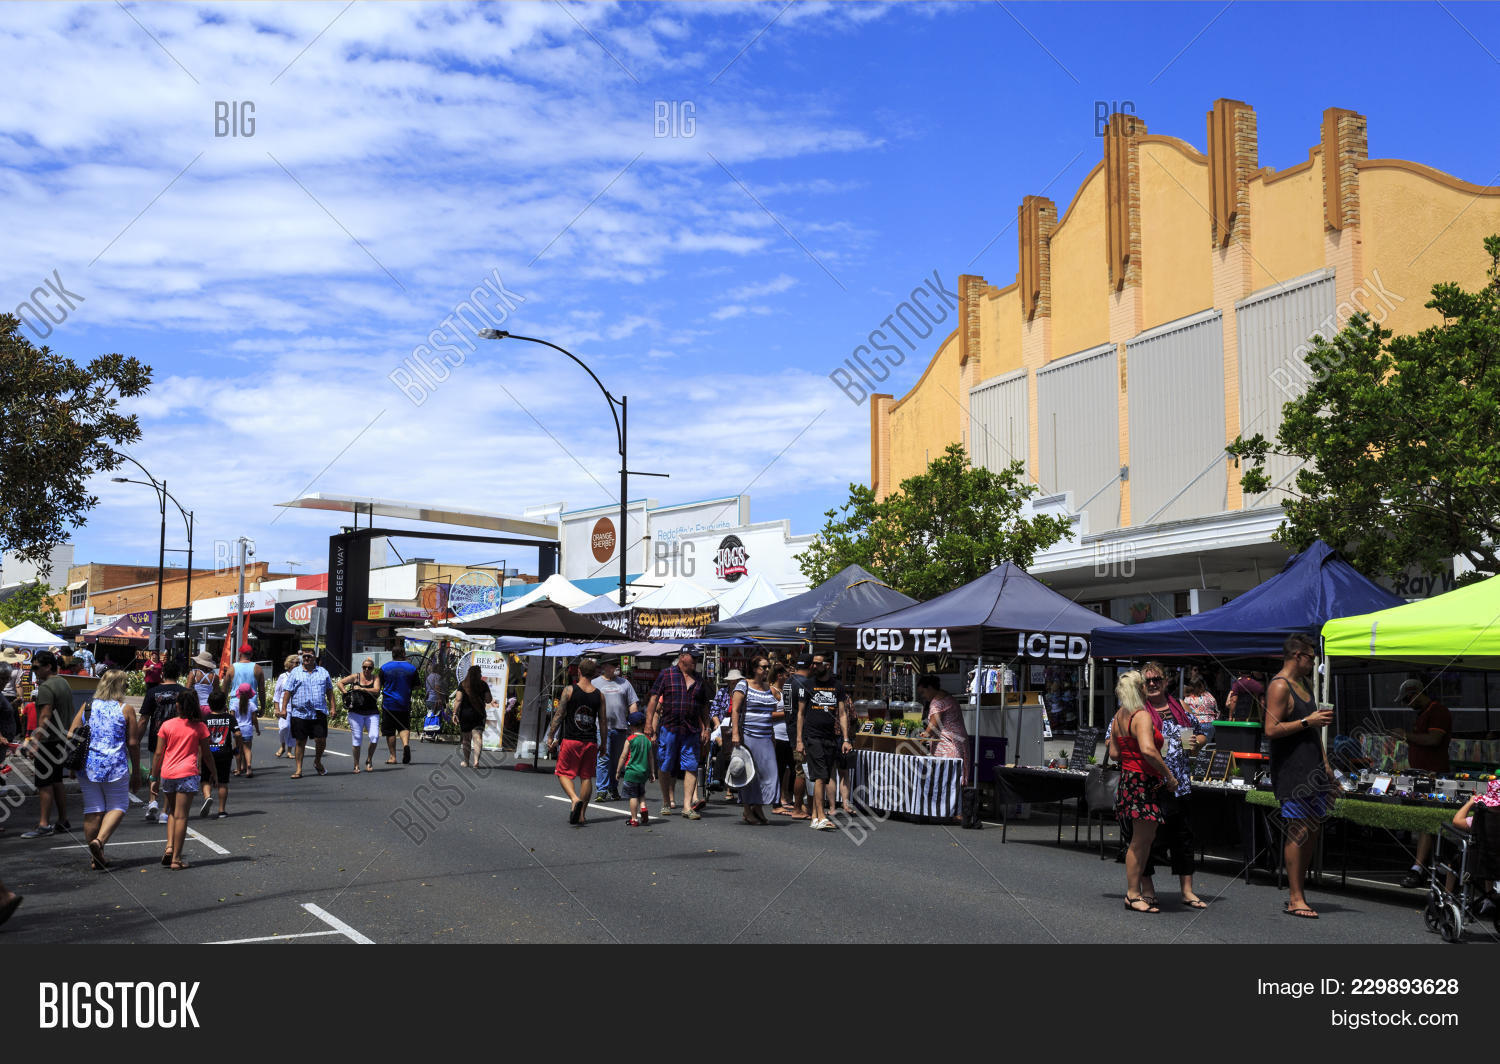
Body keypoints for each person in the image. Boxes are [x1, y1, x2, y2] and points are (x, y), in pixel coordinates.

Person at [1265, 633, 1335, 919]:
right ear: (1297, 656)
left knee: (1313, 830)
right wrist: (1308, 720)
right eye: (1311, 657)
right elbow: (1271, 729)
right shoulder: (1279, 686)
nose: (1313, 663)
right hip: (1292, 770)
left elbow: (1313, 730)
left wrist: (1326, 761)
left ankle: (1300, 891)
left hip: (1313, 767)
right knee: (1299, 829)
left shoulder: (1305, 683)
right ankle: (1295, 898)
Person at [1132, 661, 1209, 910]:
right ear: (1141, 685)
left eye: (1157, 679)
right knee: (1150, 841)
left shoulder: (1179, 706)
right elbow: (1114, 736)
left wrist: (1196, 742)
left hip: (1180, 783)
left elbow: (1201, 732)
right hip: (1152, 784)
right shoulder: (1136, 710)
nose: (1153, 684)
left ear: (1166, 682)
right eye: (1148, 681)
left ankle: (1187, 891)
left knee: (1184, 838)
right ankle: (1148, 889)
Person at [1108, 670, 1177, 913]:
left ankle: (1135, 892)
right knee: (1140, 842)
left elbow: (1115, 753)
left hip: (1129, 780)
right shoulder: (1142, 716)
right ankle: (1132, 893)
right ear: (1142, 689)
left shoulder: (1119, 716)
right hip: (1143, 780)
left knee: (1142, 841)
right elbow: (1148, 750)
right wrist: (1169, 775)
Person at [67, 669, 140, 870]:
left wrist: (74, 764)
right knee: (118, 805)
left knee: (93, 809)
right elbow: (133, 743)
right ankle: (99, 843)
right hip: (115, 765)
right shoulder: (126, 709)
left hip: (88, 765)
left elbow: (71, 734)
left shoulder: (87, 706)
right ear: (120, 687)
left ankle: (96, 858)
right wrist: (136, 773)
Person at [150, 681, 217, 870]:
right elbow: (207, 755)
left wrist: (153, 778)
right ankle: (176, 859)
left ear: (177, 705)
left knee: (171, 811)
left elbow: (158, 753)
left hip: (168, 774)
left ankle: (170, 847)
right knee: (182, 816)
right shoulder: (200, 727)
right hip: (187, 774)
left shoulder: (167, 725)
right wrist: (214, 773)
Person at [1396, 678, 1454, 887]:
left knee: (1429, 822)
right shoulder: (1424, 714)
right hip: (1422, 775)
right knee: (1425, 822)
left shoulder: (1437, 712)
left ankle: (1420, 868)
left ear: (1415, 694)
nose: (1406, 704)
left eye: (1407, 699)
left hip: (1435, 776)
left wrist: (1406, 736)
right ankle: (1430, 866)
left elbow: (1434, 739)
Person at [645, 647, 710, 819]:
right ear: (682, 657)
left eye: (697, 658)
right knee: (665, 765)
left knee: (691, 765)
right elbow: (653, 699)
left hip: (691, 730)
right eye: (693, 657)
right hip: (669, 728)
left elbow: (704, 706)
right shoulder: (666, 674)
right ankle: (666, 801)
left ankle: (687, 806)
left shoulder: (699, 679)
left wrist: (707, 727)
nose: (696, 661)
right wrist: (648, 724)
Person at [19, 650, 72, 839]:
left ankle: (44, 824)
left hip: (48, 741)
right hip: (60, 739)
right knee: (57, 781)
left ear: (48, 666)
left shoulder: (46, 687)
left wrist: (34, 742)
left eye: (36, 667)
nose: (34, 671)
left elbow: (45, 716)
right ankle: (63, 820)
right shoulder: (64, 683)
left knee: (44, 784)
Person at [546, 657, 604, 825]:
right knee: (586, 777)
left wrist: (551, 736)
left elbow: (559, 715)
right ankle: (582, 815)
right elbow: (603, 722)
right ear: (593, 674)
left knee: (562, 773)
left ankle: (574, 798)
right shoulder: (599, 695)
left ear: (579, 671)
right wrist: (604, 743)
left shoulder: (569, 691)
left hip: (571, 740)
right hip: (590, 741)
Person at [797, 664, 852, 831]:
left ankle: (814, 817)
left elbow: (842, 714)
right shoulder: (807, 684)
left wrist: (845, 739)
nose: (815, 666)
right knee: (820, 775)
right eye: (813, 663)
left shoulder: (837, 686)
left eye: (819, 663)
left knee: (825, 776)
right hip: (812, 736)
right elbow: (800, 713)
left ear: (827, 665)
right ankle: (821, 816)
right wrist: (799, 739)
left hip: (830, 737)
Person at [730, 656, 782, 824]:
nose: (767, 670)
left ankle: (758, 806)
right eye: (763, 667)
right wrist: (736, 733)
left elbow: (769, 715)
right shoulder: (743, 685)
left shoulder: (768, 688)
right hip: (748, 736)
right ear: (754, 668)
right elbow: (735, 710)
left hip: (766, 737)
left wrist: (772, 735)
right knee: (749, 775)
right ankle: (747, 811)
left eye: (768, 667)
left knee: (770, 775)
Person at [139, 659, 188, 824]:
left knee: (156, 769)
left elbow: (144, 719)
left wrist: (137, 740)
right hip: (179, 737)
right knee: (172, 774)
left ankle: (152, 801)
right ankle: (165, 812)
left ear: (162, 673)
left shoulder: (153, 692)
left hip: (157, 735)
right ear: (179, 675)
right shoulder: (184, 692)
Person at [280, 648, 335, 778]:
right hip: (300, 712)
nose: (306, 659)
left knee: (320, 739)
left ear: (314, 657)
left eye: (309, 656)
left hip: (318, 711)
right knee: (300, 741)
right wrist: (283, 709)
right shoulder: (295, 672)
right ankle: (298, 769)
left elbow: (329, 691)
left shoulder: (323, 672)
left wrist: (333, 707)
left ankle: (317, 761)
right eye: (304, 656)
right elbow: (287, 691)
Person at [592, 659, 638, 802]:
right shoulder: (595, 683)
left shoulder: (625, 683)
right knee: (603, 759)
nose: (615, 668)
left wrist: (635, 725)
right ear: (605, 666)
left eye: (616, 666)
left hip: (620, 727)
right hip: (601, 728)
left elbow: (632, 704)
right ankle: (601, 790)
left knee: (616, 761)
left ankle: (613, 787)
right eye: (612, 665)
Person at [773, 657, 812, 817]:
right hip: (797, 731)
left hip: (789, 729)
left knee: (791, 769)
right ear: (810, 666)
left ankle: (797, 804)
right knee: (800, 770)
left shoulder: (789, 681)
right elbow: (801, 710)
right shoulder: (802, 682)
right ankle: (797, 807)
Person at [917, 674, 971, 784]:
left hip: (948, 747)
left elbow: (932, 728)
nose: (922, 696)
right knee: (956, 782)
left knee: (946, 783)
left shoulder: (937, 703)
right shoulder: (949, 698)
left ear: (930, 688)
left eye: (923, 692)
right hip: (959, 743)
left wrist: (918, 741)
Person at [200, 683, 240, 819]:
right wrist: (236, 747)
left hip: (208, 752)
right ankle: (222, 810)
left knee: (205, 779)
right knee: (223, 781)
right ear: (224, 704)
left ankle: (207, 797)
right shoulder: (230, 718)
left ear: (209, 705)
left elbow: (201, 737)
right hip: (225, 752)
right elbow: (238, 734)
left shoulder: (205, 720)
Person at [337, 657, 382, 773]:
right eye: (364, 667)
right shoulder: (355, 677)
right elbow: (340, 683)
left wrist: (362, 689)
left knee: (374, 736)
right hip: (356, 712)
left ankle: (369, 760)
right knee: (357, 738)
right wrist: (346, 693)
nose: (367, 669)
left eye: (369, 668)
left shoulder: (375, 677)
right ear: (362, 667)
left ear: (372, 669)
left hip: (372, 712)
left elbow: (377, 690)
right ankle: (356, 764)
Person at [227, 644, 264, 778]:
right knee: (248, 745)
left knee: (237, 742)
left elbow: (225, 687)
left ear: (239, 653)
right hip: (251, 704)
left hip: (234, 705)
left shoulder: (232, 668)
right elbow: (262, 689)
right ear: (251, 654)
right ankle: (246, 765)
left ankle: (239, 766)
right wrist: (263, 706)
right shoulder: (257, 668)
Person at [378, 644, 418, 764]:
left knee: (390, 731)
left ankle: (393, 757)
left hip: (389, 704)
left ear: (392, 654)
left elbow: (379, 685)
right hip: (404, 703)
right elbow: (417, 685)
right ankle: (405, 745)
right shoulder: (411, 668)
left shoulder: (384, 668)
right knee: (404, 726)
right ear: (404, 654)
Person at [710, 669, 744, 798]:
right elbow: (714, 710)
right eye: (732, 681)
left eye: (736, 681)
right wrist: (717, 723)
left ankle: (722, 780)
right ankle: (723, 782)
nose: (734, 683)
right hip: (723, 724)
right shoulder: (722, 692)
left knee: (727, 747)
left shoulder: (743, 693)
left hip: (738, 724)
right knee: (724, 744)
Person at [455, 665, 496, 770]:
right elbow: (488, 700)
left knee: (466, 739)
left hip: (465, 714)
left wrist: (454, 713)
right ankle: (476, 761)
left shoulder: (463, 684)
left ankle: (466, 761)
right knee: (478, 737)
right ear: (479, 674)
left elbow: (458, 700)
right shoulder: (483, 685)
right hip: (479, 714)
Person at [617, 711, 653, 826]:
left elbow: (623, 756)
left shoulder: (630, 739)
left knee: (632, 796)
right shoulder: (648, 740)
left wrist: (618, 771)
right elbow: (651, 758)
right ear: (643, 725)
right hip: (643, 772)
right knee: (641, 793)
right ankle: (643, 808)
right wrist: (652, 772)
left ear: (631, 726)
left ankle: (634, 818)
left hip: (631, 772)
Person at [273, 654, 298, 758]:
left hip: (296, 706)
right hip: (284, 706)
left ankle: (289, 750)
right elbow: (277, 693)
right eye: (296, 663)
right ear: (290, 664)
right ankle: (282, 745)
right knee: (284, 727)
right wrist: (276, 708)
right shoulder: (283, 676)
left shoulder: (300, 675)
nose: (298, 665)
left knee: (293, 729)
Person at [187, 650, 218, 714]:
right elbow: (217, 693)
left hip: (196, 706)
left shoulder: (193, 673)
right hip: (210, 707)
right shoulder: (214, 676)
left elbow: (187, 690)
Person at [421, 663, 444, 742]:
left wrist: (426, 698)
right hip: (435, 700)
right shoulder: (438, 676)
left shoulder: (429, 677)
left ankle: (427, 731)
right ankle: (434, 731)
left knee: (429, 714)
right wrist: (439, 698)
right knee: (437, 715)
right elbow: (437, 688)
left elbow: (427, 689)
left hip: (428, 700)